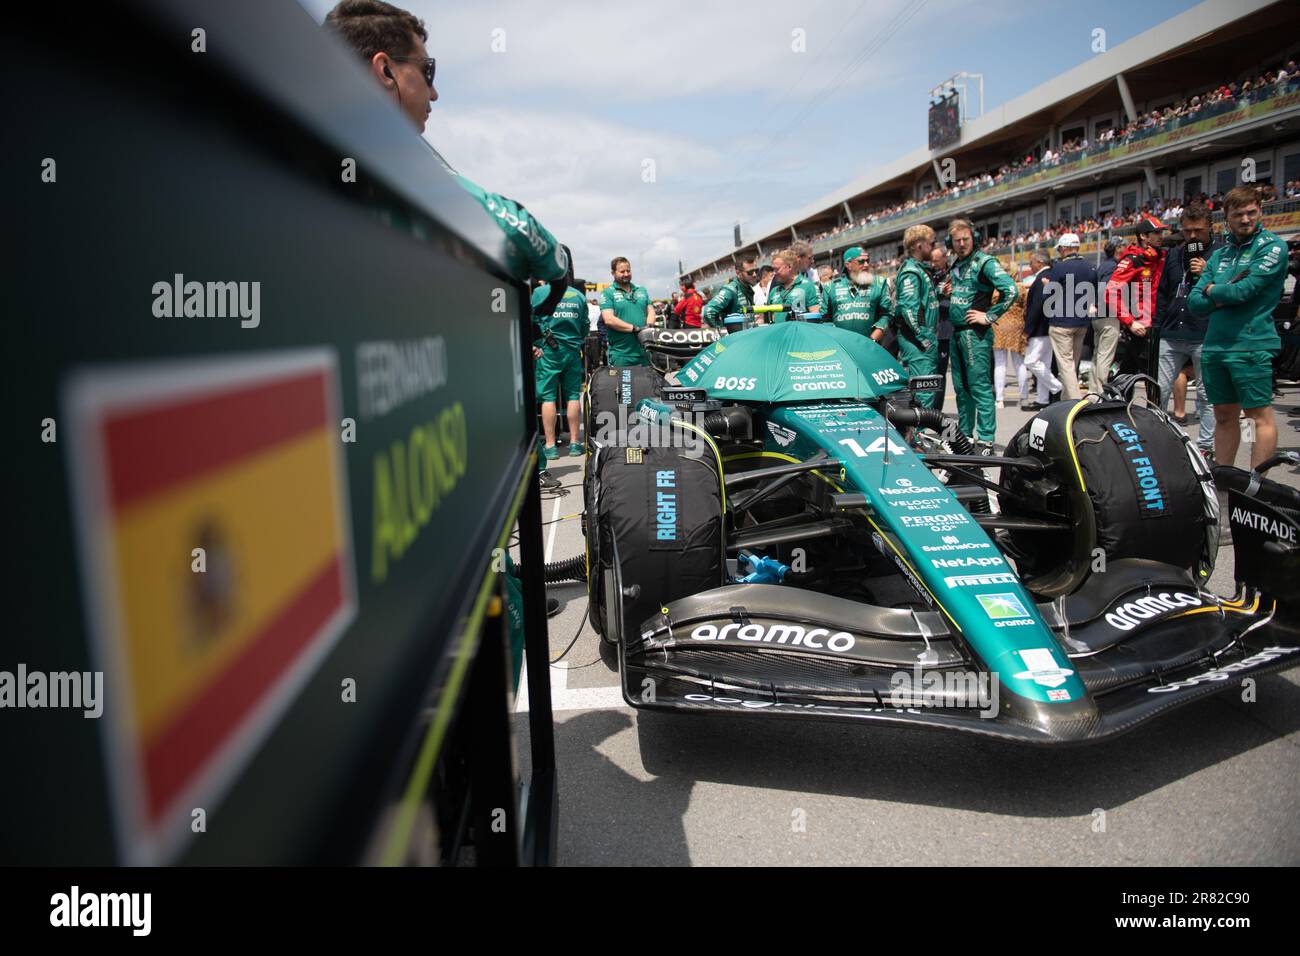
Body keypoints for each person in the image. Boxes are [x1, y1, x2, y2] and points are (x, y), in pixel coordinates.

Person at [323, 1, 567, 288]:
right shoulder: (381, 154)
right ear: (385, 70)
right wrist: (559, 265)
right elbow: (517, 229)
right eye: (427, 71)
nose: (434, 93)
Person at [1188, 186, 1287, 468]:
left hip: (1251, 345)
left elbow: (1244, 291)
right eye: (1238, 214)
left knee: (1257, 416)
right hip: (1216, 346)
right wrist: (1219, 291)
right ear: (1226, 217)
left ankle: (1256, 488)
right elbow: (1195, 303)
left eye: (1251, 212)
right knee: (1223, 415)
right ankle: (1225, 478)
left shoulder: (1272, 246)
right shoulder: (1221, 254)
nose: (1245, 219)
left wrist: (1212, 290)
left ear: (1260, 211)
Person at [947, 218, 1020, 448]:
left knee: (978, 387)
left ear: (974, 238)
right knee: (961, 388)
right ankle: (966, 436)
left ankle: (986, 439)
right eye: (956, 240)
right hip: (957, 333)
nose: (961, 243)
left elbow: (1011, 290)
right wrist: (950, 291)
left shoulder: (985, 262)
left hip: (975, 334)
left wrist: (988, 316)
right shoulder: (956, 263)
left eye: (965, 239)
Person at [1154, 203, 1217, 456]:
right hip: (1171, 332)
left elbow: (1233, 288)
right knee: (1159, 390)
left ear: (1210, 227)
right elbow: (1163, 292)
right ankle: (1157, 440)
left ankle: (1206, 447)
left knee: (1206, 394)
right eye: (1187, 230)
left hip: (1205, 332)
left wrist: (1208, 274)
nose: (1192, 236)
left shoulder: (1220, 253)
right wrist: (1156, 327)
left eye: (1198, 231)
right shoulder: (1174, 254)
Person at [532, 249, 587, 459]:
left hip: (547, 352)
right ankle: (574, 443)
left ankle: (550, 445)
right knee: (573, 395)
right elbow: (584, 326)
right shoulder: (579, 295)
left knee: (548, 397)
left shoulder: (539, 293)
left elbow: (532, 321)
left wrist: (536, 344)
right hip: (572, 352)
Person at [1106, 215, 1167, 380]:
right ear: (1143, 236)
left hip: (1158, 322)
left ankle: (1114, 400)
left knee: (1128, 371)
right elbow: (1110, 293)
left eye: (1162, 232)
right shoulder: (1132, 260)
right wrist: (1130, 322)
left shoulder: (1162, 257)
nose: (1161, 236)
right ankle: (1153, 406)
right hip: (1140, 326)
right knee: (1151, 374)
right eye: (1157, 233)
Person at [1044, 233, 1098, 399]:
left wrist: (1047, 286)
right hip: (1081, 322)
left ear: (1064, 248)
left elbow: (1049, 297)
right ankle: (1066, 401)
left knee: (1066, 366)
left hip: (1062, 322)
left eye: (1060, 249)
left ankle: (1075, 402)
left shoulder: (1060, 267)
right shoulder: (1090, 267)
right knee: (1072, 365)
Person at [893, 225, 941, 409]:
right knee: (923, 393)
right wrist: (925, 339)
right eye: (931, 243)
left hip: (920, 341)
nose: (934, 247)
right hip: (917, 343)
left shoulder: (920, 269)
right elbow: (908, 309)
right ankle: (916, 435)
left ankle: (914, 434)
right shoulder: (911, 271)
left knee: (923, 391)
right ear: (920, 245)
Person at [823, 247, 893, 341]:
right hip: (841, 347)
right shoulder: (830, 287)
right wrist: (836, 338)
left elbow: (888, 314)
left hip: (870, 345)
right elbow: (824, 319)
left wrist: (873, 338)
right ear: (848, 265)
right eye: (861, 261)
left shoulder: (879, 283)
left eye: (868, 261)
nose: (866, 264)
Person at [1022, 251, 1063, 410]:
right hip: (1049, 326)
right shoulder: (1052, 275)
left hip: (1039, 328)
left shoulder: (1040, 279)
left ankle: (1057, 387)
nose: (1030, 265)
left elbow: (1037, 306)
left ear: (1039, 262)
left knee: (1031, 361)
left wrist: (1028, 329)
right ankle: (1042, 399)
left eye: (1031, 262)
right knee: (1044, 363)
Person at [599, 257, 655, 366]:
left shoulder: (641, 290)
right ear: (613, 273)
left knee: (646, 383)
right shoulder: (607, 293)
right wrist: (634, 328)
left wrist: (648, 326)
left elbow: (651, 311)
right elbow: (609, 319)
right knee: (621, 384)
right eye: (622, 271)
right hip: (621, 354)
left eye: (628, 271)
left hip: (644, 351)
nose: (626, 274)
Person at [992, 270, 1029, 408]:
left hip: (999, 326)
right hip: (1017, 326)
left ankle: (999, 399)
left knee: (1000, 364)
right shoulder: (1020, 288)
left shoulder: (996, 289)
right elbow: (1026, 308)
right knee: (1019, 363)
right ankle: (1024, 397)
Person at [701, 255, 757, 328]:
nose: (754, 274)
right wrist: (722, 330)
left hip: (748, 334)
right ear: (738, 273)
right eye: (750, 272)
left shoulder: (748, 288)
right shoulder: (730, 290)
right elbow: (708, 311)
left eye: (756, 270)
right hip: (737, 337)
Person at [768, 249, 821, 319]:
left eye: (777, 269)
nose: (774, 273)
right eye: (773, 269)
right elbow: (766, 318)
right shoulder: (773, 291)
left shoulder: (808, 286)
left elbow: (815, 315)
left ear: (789, 267)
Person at [930, 244, 953, 401]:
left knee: (940, 373)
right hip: (927, 330)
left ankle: (937, 409)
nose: (933, 264)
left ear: (945, 258)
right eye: (932, 260)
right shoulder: (927, 274)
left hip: (944, 332)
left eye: (937, 260)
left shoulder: (953, 275)